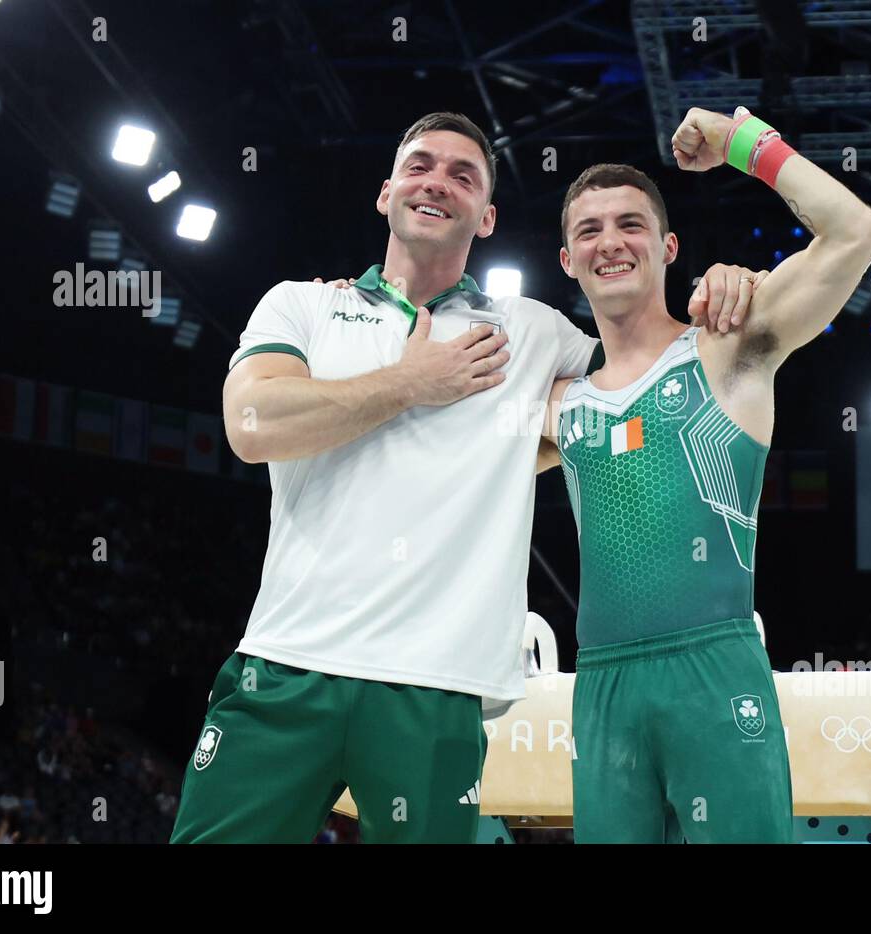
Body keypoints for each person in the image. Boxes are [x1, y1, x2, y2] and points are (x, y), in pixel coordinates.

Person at [171, 111, 744, 843]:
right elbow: (253, 425)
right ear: (386, 193)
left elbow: (642, 397)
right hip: (285, 665)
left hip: (438, 688)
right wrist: (409, 383)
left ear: (488, 214)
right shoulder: (305, 304)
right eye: (420, 166)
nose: (437, 181)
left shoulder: (533, 331)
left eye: (463, 175)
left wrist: (725, 288)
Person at [545, 106, 871, 842]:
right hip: (600, 690)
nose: (611, 242)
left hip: (714, 672)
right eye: (588, 230)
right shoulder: (558, 407)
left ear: (669, 247)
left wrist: (741, 144)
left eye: (630, 224)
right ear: (567, 261)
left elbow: (856, 234)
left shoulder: (728, 348)